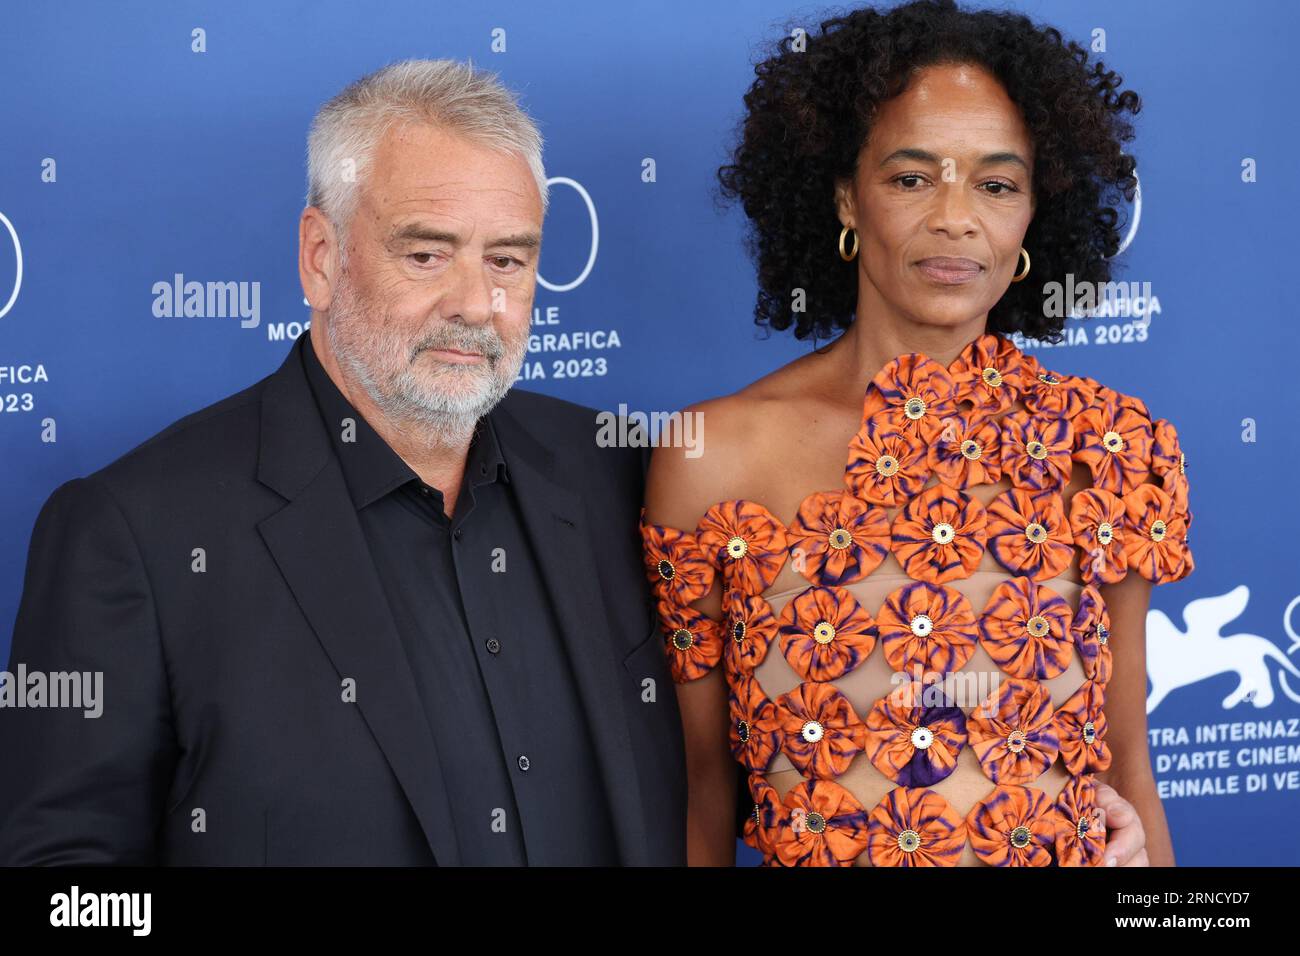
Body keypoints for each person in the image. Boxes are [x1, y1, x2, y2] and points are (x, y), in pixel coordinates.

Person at [0, 59, 686, 866]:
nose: (475, 304)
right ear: (321, 258)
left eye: (507, 260)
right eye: (427, 255)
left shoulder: (622, 473)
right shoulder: (134, 534)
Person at [642, 0, 1192, 866]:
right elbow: (700, 791)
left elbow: (1128, 764)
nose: (955, 217)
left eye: (997, 184)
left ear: (1031, 220)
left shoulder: (1112, 447)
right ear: (845, 199)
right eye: (911, 178)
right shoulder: (713, 455)